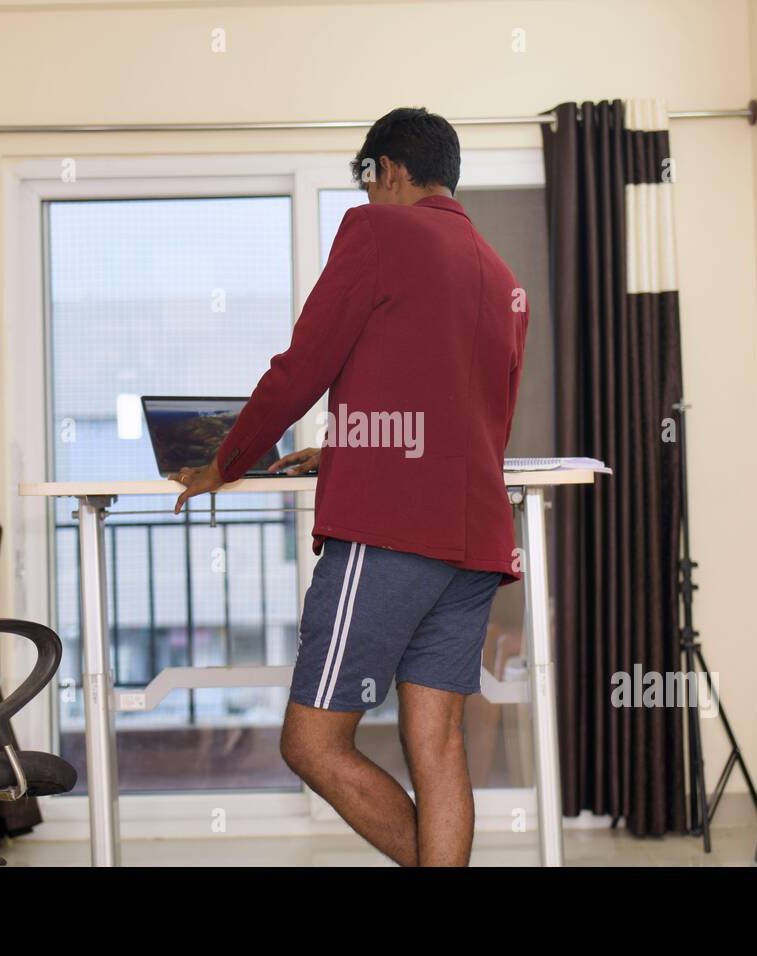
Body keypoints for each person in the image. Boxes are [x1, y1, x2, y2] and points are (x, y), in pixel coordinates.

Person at [173, 107, 528, 866]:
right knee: (437, 743)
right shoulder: (500, 275)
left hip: (391, 539)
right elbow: (477, 420)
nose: (365, 200)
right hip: (477, 545)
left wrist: (224, 462)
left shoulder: (378, 233)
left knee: (311, 742)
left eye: (367, 183)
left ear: (389, 170)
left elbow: (304, 364)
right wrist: (345, 454)